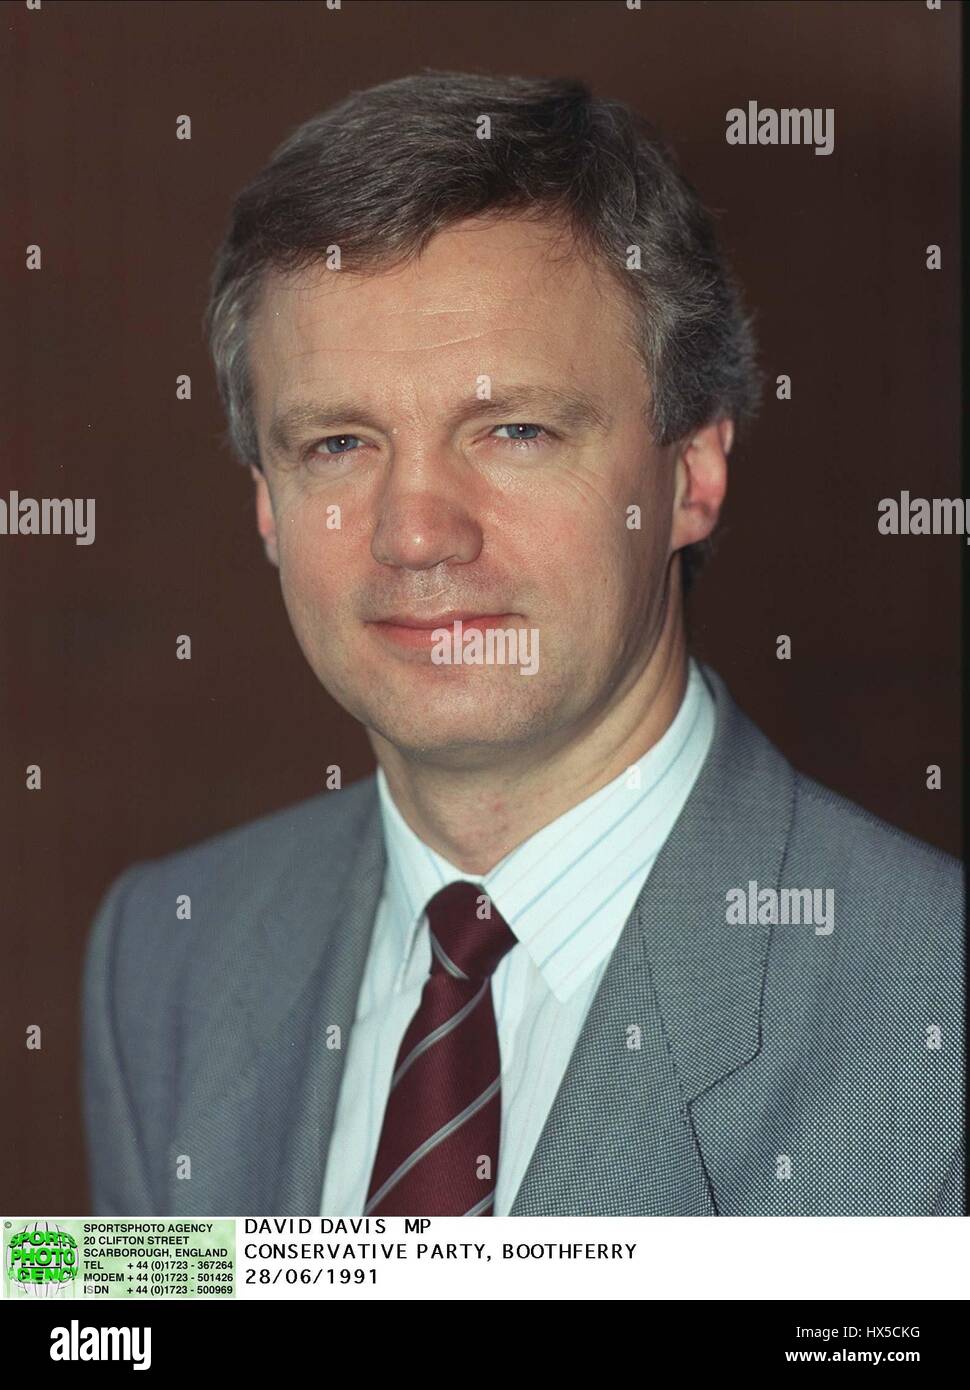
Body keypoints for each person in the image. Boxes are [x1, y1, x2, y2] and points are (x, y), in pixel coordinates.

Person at [82, 72, 963, 1217]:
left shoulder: (927, 1003)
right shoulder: (164, 959)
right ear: (265, 502)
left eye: (513, 430)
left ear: (690, 472)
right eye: (339, 443)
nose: (414, 533)